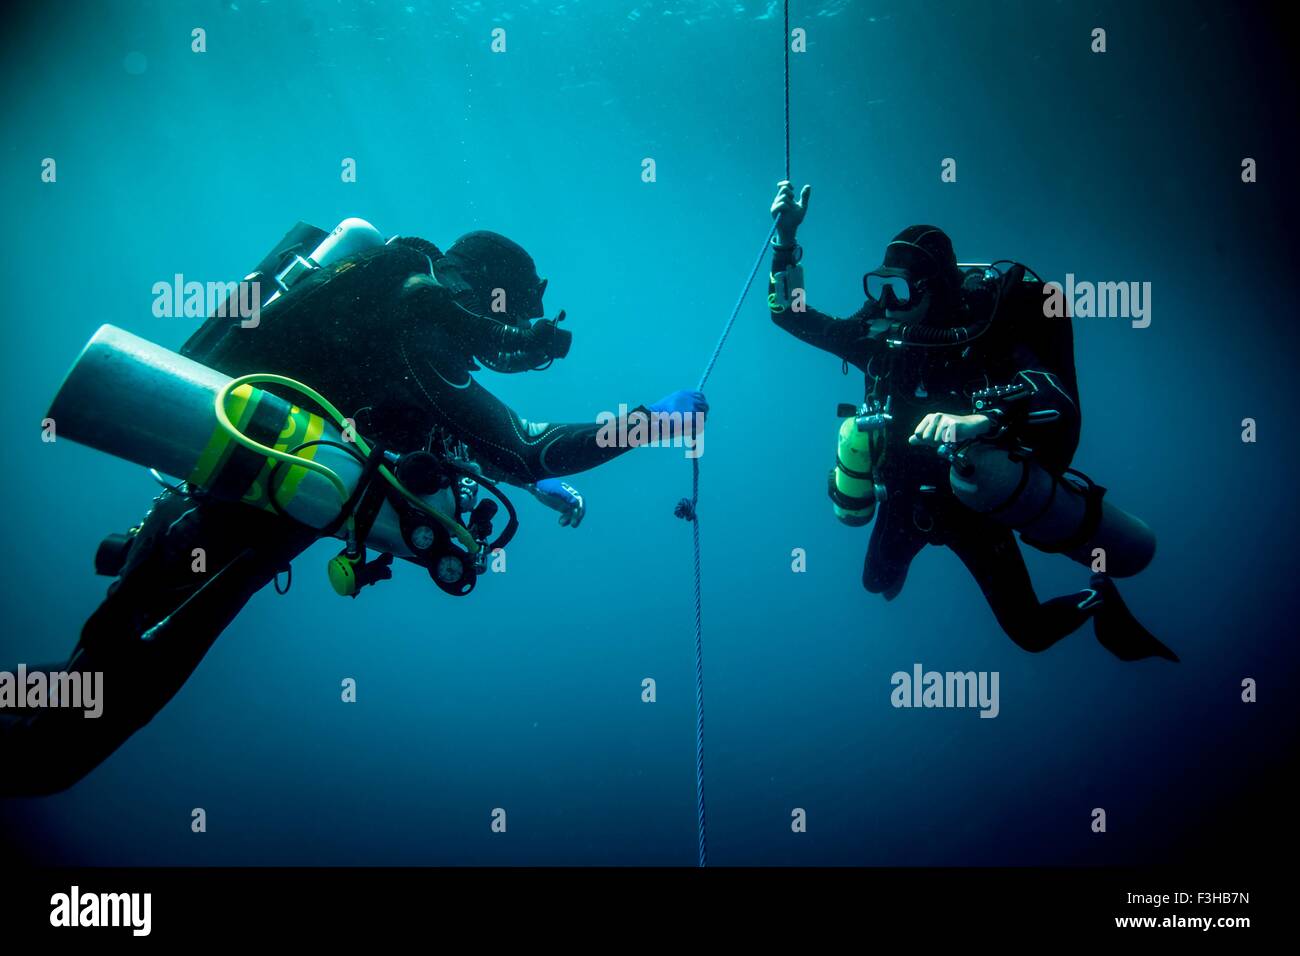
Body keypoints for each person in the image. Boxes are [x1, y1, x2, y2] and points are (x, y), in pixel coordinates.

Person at [0, 224, 706, 796]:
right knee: (73, 730)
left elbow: (453, 433)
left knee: (78, 701)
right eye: (516, 316)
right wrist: (649, 423)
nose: (512, 343)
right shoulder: (419, 319)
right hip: (226, 534)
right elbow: (524, 445)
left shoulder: (384, 299)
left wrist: (526, 480)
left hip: (212, 511)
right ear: (492, 297)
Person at [767, 181, 1175, 662]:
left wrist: (983, 420)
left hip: (971, 506)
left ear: (932, 289)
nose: (887, 303)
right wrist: (785, 242)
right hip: (902, 496)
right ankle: (898, 561)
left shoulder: (983, 340)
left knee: (1031, 633)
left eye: (900, 289)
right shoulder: (878, 341)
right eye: (880, 286)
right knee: (876, 581)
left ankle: (1099, 596)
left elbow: (1054, 392)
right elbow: (790, 316)